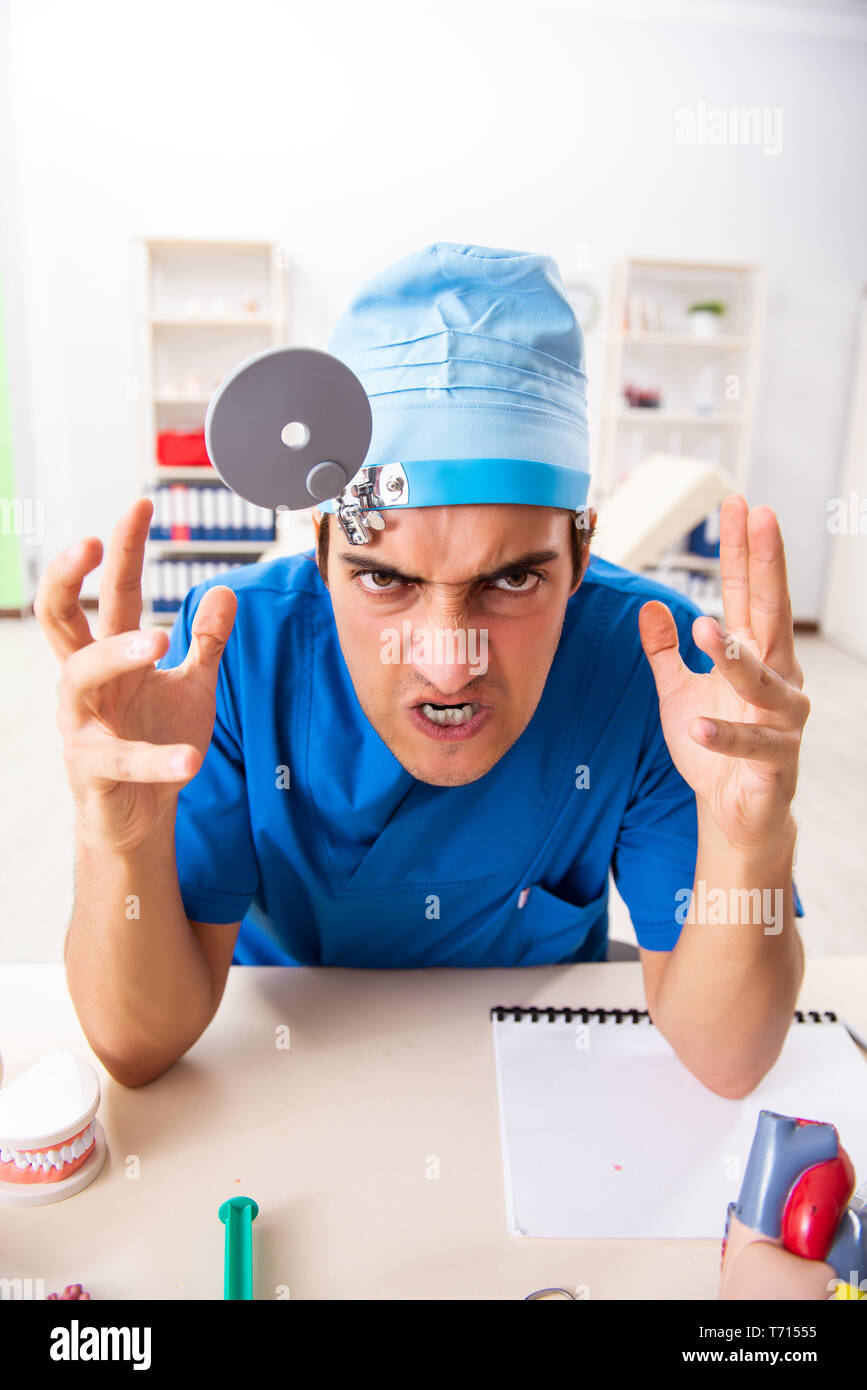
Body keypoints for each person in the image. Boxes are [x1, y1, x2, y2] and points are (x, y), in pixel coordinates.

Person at [35, 243, 809, 1093]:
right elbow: (139, 1049)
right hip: (288, 1068)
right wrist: (121, 837)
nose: (446, 666)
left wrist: (748, 844)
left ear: (581, 552)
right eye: (383, 579)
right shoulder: (235, 652)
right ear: (321, 548)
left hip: (538, 1075)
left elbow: (726, 1058)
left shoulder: (658, 672)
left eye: (511, 580)